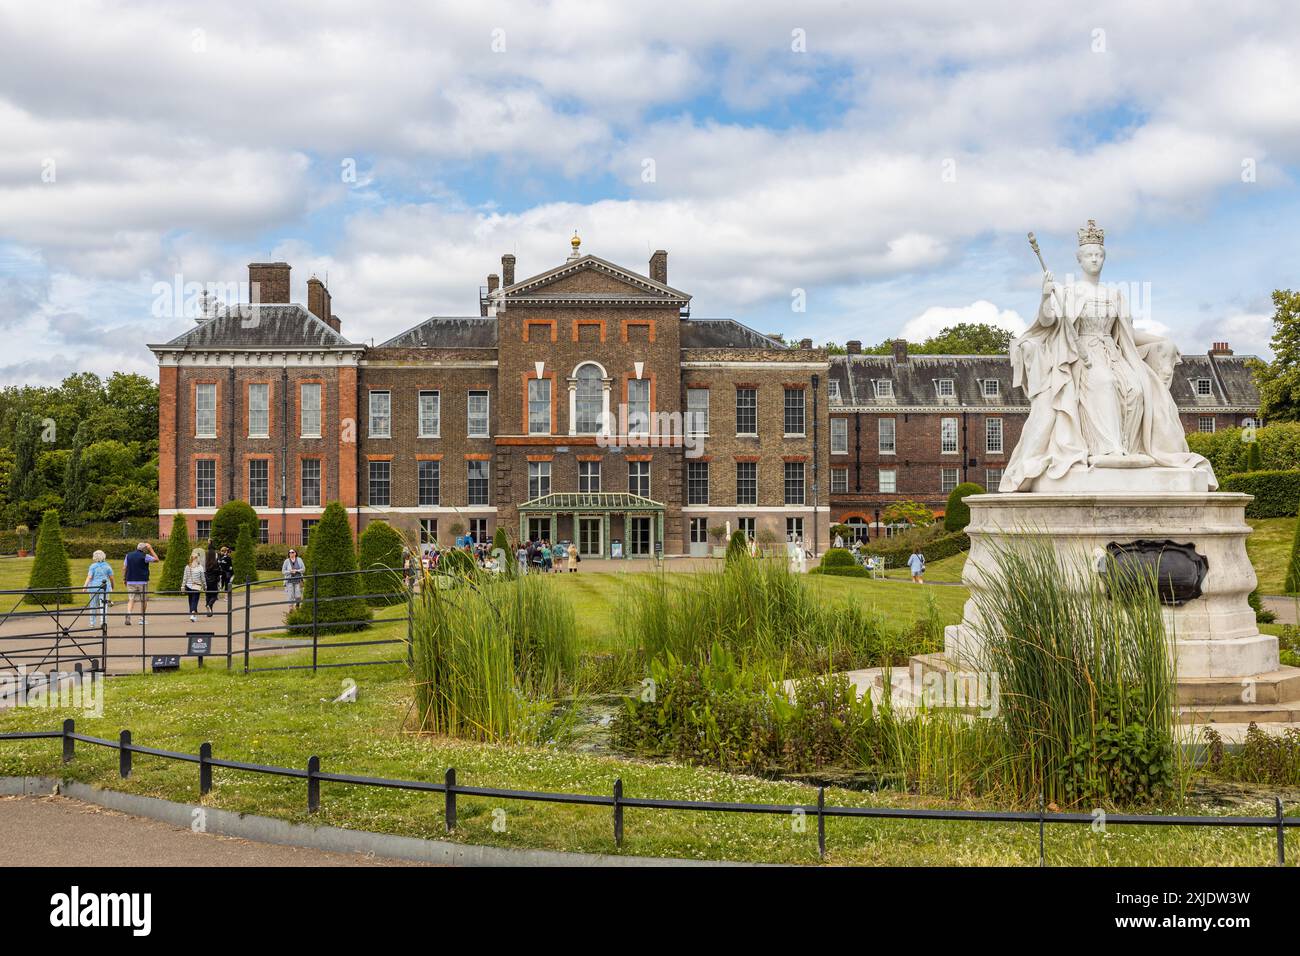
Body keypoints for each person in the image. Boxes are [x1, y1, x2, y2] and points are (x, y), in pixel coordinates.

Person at [122, 541, 159, 626]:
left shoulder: (128, 555)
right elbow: (157, 559)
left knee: (131, 599)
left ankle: (128, 613)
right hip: (142, 581)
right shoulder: (145, 556)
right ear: (144, 549)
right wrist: (151, 549)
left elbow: (124, 567)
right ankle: (141, 618)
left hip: (130, 580)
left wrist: (124, 578)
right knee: (144, 600)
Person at [83, 549, 114, 629]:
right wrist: (112, 586)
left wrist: (85, 586)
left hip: (93, 587)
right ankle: (103, 622)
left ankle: (92, 623)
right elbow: (111, 578)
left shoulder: (93, 566)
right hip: (104, 588)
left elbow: (89, 577)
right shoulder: (107, 566)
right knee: (104, 605)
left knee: (93, 605)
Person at [182, 547, 207, 622]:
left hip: (189, 586)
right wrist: (205, 585)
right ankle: (193, 614)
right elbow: (203, 578)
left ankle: (192, 614)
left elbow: (185, 577)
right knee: (195, 600)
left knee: (190, 600)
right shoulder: (200, 568)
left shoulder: (187, 567)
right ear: (197, 559)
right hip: (196, 586)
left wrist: (183, 585)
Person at [203, 542, 220, 617]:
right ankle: (209, 605)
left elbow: (203, 571)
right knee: (214, 595)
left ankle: (209, 612)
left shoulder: (205, 562)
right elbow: (218, 571)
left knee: (208, 595)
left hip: (206, 579)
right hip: (213, 580)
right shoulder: (215, 562)